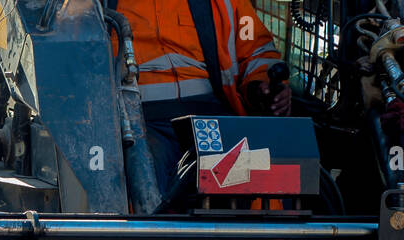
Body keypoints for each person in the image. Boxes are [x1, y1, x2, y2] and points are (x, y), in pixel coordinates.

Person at [112, 0, 291, 191]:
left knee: (257, 170)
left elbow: (256, 50)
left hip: (209, 116)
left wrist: (261, 86)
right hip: (137, 119)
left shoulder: (228, 3)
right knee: (138, 177)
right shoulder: (90, 7)